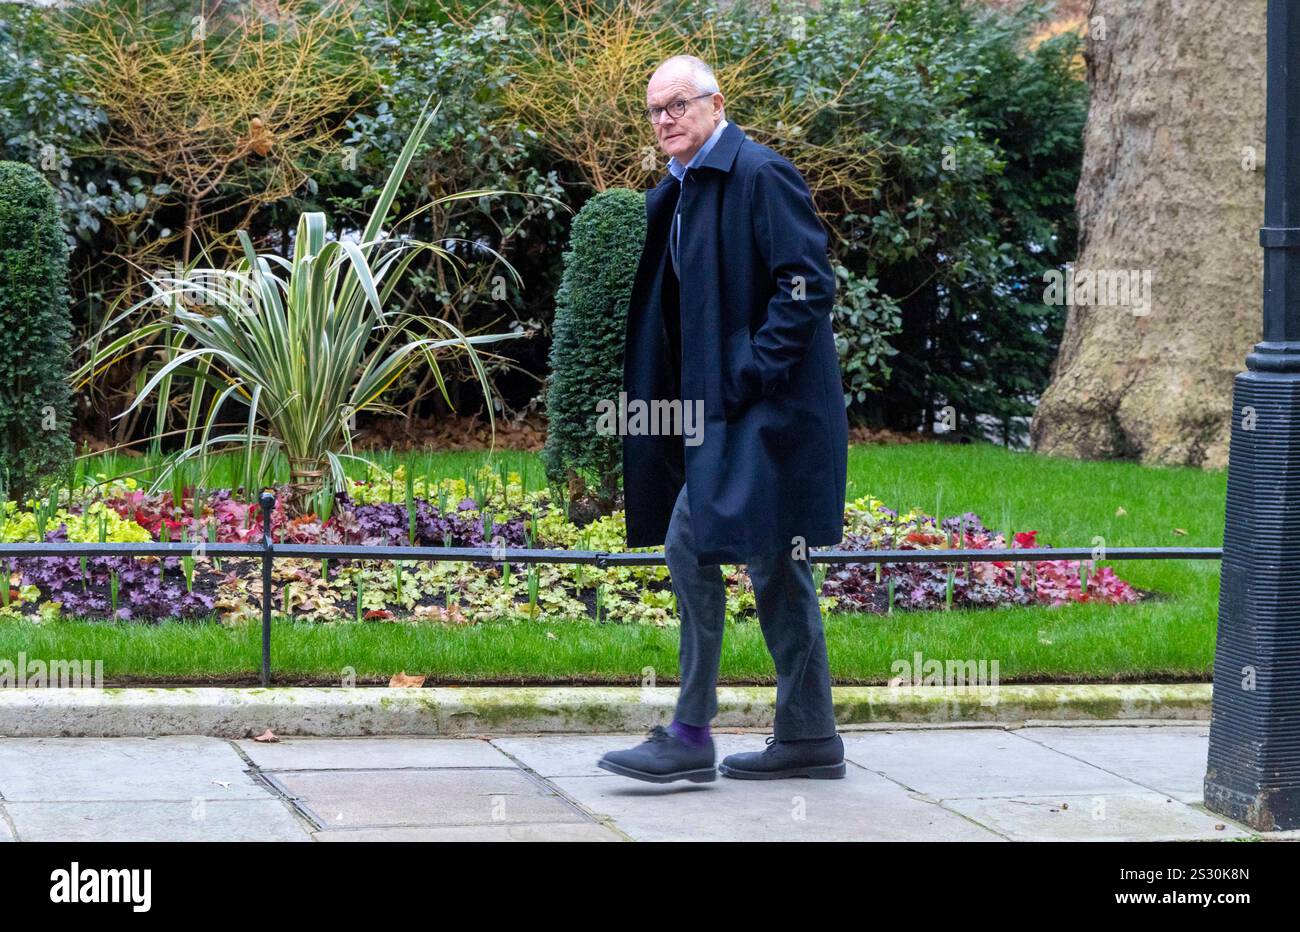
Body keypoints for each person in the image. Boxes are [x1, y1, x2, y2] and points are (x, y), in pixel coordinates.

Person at [597, 54, 849, 783]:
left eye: (679, 104)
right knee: (778, 565)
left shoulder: (758, 174)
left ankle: (690, 732)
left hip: (768, 415)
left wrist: (748, 372)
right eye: (655, 110)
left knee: (693, 543)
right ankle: (809, 737)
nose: (666, 119)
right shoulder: (677, 193)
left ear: (716, 104)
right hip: (716, 413)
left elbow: (805, 285)